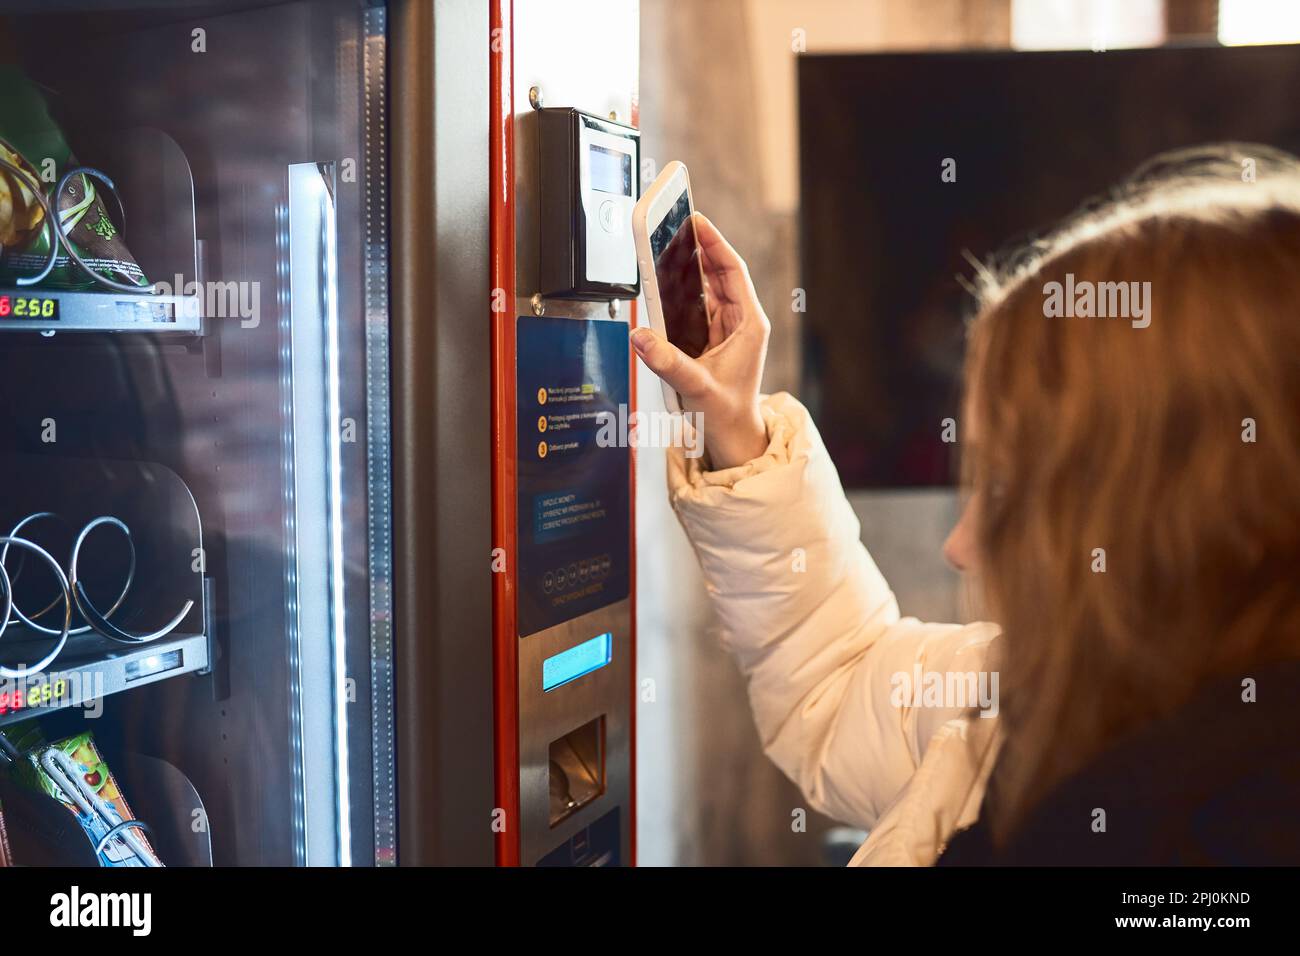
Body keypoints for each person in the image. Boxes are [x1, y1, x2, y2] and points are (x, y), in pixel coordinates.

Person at [630, 143, 1300, 865]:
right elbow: (838, 680)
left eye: (1008, 490)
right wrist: (740, 433)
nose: (962, 546)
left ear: (1173, 518)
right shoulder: (1038, 690)